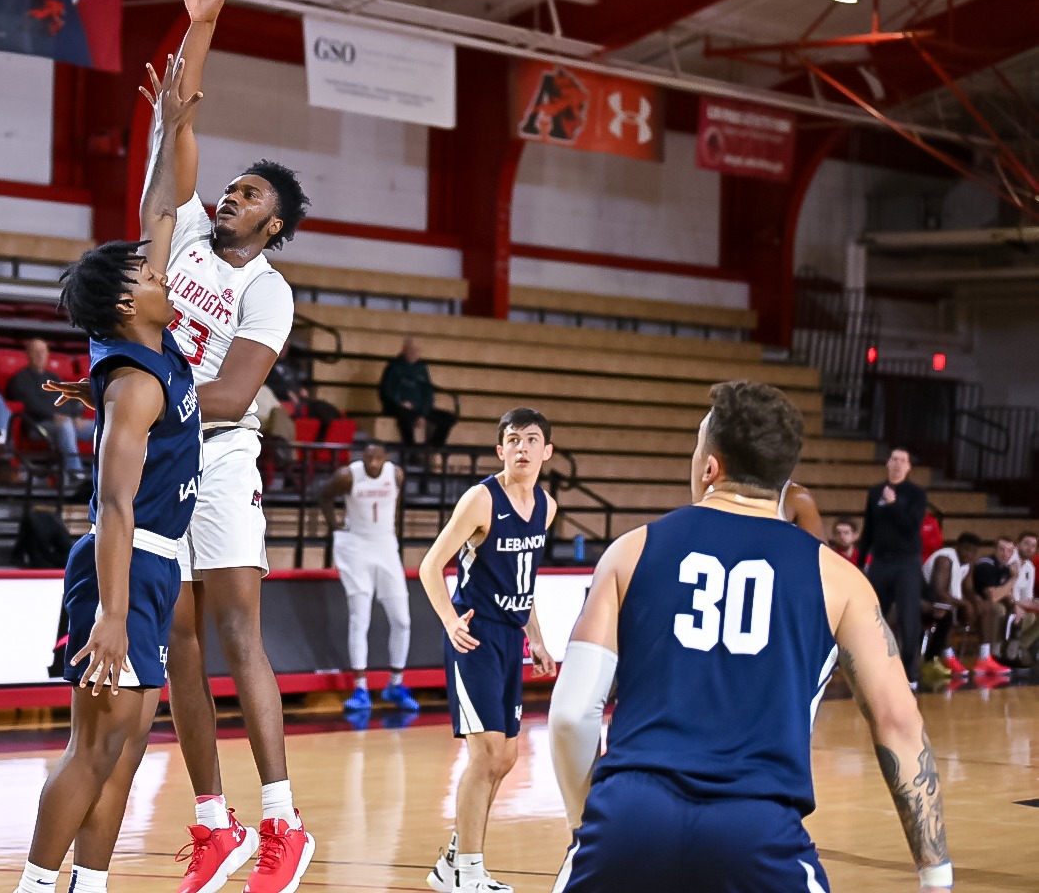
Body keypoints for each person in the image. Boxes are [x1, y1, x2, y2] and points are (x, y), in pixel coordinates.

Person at [547, 381, 953, 893]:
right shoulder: (841, 580)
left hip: (629, 818)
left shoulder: (631, 552)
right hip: (758, 833)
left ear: (710, 466)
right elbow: (898, 725)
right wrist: (935, 874)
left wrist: (587, 823)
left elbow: (569, 715)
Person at [117, 0, 314, 893]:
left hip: (221, 456)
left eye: (252, 196)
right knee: (177, 644)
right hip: (165, 453)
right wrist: (201, 23)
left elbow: (232, 397)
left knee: (238, 633)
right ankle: (213, 821)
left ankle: (283, 821)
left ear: (275, 225)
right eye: (233, 188)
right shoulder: (190, 230)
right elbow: (179, 137)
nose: (233, 197)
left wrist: (150, 386)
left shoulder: (269, 292)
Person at [13, 59, 203, 893]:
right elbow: (114, 503)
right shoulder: (131, 384)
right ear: (130, 303)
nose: (167, 276)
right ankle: (31, 886)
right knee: (93, 747)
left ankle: (89, 887)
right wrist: (116, 615)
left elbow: (159, 206)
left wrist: (172, 121)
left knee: (128, 748)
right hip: (123, 566)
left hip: (158, 565)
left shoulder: (150, 338)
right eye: (154, 275)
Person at [418, 409, 558, 893]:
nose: (522, 448)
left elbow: (527, 579)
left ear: (547, 452)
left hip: (510, 637)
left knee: (506, 758)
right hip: (475, 636)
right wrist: (450, 620)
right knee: (486, 755)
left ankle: (454, 860)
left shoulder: (546, 506)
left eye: (531, 439)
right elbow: (430, 565)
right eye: (513, 440)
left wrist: (535, 636)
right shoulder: (481, 499)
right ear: (500, 450)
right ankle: (468, 873)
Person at [317, 443, 417, 714]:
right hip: (356, 546)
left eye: (378, 458)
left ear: (386, 459)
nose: (373, 463)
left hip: (385, 545)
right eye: (369, 458)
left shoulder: (396, 475)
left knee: (402, 620)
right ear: (363, 458)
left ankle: (395, 684)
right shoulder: (347, 475)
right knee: (360, 617)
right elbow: (323, 494)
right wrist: (333, 524)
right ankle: (360, 688)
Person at [857, 447, 929, 681]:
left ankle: (910, 673)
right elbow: (869, 529)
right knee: (873, 614)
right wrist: (859, 564)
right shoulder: (875, 491)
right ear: (887, 463)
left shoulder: (916, 494)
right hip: (881, 561)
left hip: (907, 562)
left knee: (909, 617)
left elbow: (912, 527)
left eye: (902, 460)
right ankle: (868, 667)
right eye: (894, 459)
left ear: (909, 467)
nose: (897, 463)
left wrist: (894, 504)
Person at [6, 338, 94, 478]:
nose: (40, 355)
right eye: (36, 351)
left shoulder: (53, 377)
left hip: (67, 422)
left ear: (48, 354)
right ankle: (76, 474)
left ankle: (106, 476)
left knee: (100, 427)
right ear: (28, 354)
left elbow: (70, 398)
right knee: (65, 426)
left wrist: (76, 415)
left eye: (43, 351)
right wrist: (53, 416)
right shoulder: (20, 379)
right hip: (37, 426)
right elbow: (30, 404)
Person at [378, 337, 457, 448]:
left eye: (418, 350)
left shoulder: (422, 368)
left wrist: (422, 413)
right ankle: (410, 450)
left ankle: (433, 447)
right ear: (404, 349)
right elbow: (387, 391)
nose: (415, 353)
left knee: (449, 418)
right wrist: (401, 402)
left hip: (418, 408)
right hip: (399, 407)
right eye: (412, 349)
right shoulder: (393, 367)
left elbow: (428, 392)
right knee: (405, 415)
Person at [919, 532, 977, 680]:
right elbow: (939, 591)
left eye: (972, 551)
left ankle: (947, 656)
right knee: (946, 614)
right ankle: (932, 659)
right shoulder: (945, 559)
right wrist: (965, 604)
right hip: (922, 599)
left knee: (971, 610)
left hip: (940, 603)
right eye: (966, 550)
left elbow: (968, 590)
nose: (968, 554)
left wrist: (976, 604)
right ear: (958, 547)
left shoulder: (967, 564)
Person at [964, 536, 1016, 677]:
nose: (1006, 554)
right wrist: (1013, 579)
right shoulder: (985, 564)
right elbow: (993, 596)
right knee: (998, 609)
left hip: (987, 605)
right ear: (995, 549)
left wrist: (1015, 604)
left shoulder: (1005, 568)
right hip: (974, 606)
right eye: (1002, 550)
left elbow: (1007, 594)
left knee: (1015, 610)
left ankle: (1009, 653)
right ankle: (989, 655)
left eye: (1010, 551)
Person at [1006, 531, 1039, 667]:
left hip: (1020, 605)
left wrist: (1033, 603)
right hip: (1006, 603)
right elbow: (1004, 590)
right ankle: (1009, 651)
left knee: (1033, 612)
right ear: (1017, 543)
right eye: (1026, 543)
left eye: (1033, 546)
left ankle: (1020, 648)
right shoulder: (1008, 561)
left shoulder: (1030, 567)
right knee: (1029, 616)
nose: (1029, 548)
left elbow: (1028, 596)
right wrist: (1017, 604)